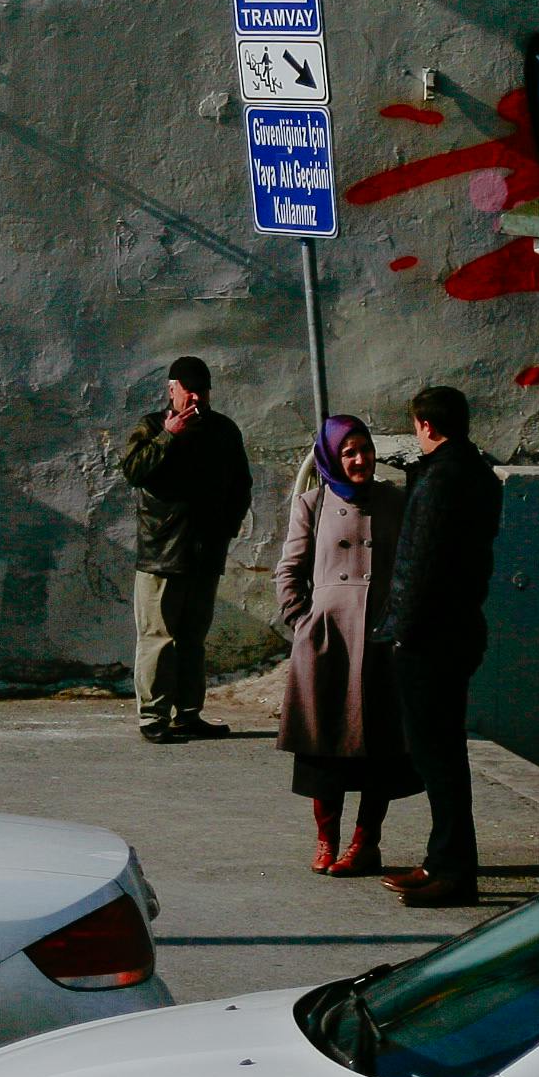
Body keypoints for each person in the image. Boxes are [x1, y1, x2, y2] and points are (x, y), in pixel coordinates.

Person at [376, 384, 504, 908]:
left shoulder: (442, 480)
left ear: (426, 426)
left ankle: (453, 870)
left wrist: (401, 631)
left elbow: (419, 564)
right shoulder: (475, 473)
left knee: (437, 755)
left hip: (430, 636)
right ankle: (442, 859)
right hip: (457, 628)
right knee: (441, 752)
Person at [276, 416, 419, 876]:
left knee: (380, 749)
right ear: (331, 458)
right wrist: (303, 621)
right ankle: (326, 840)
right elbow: (290, 569)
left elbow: (411, 567)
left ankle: (365, 843)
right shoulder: (312, 503)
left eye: (366, 450)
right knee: (324, 748)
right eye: (349, 452)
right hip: (327, 643)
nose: (360, 460)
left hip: (381, 643)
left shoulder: (395, 501)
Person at [119, 356, 252, 744]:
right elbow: (133, 471)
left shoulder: (223, 430)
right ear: (172, 389)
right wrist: (168, 436)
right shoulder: (151, 427)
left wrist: (226, 530)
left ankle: (189, 714)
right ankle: (153, 718)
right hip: (162, 553)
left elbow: (240, 485)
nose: (195, 397)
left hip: (205, 553)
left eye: (202, 390)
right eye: (188, 390)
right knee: (158, 638)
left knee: (193, 639)